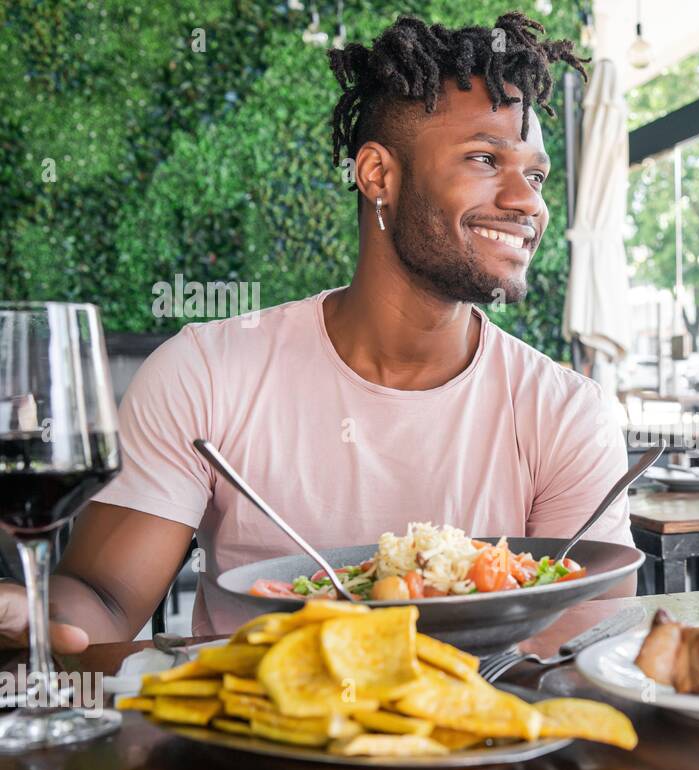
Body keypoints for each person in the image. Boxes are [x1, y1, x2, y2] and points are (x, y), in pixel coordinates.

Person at [0, 11, 635, 651]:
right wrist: (28, 615)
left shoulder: (567, 414)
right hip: (249, 739)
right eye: (483, 158)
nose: (528, 202)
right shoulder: (206, 373)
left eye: (535, 174)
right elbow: (105, 599)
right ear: (377, 175)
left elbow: (577, 651)